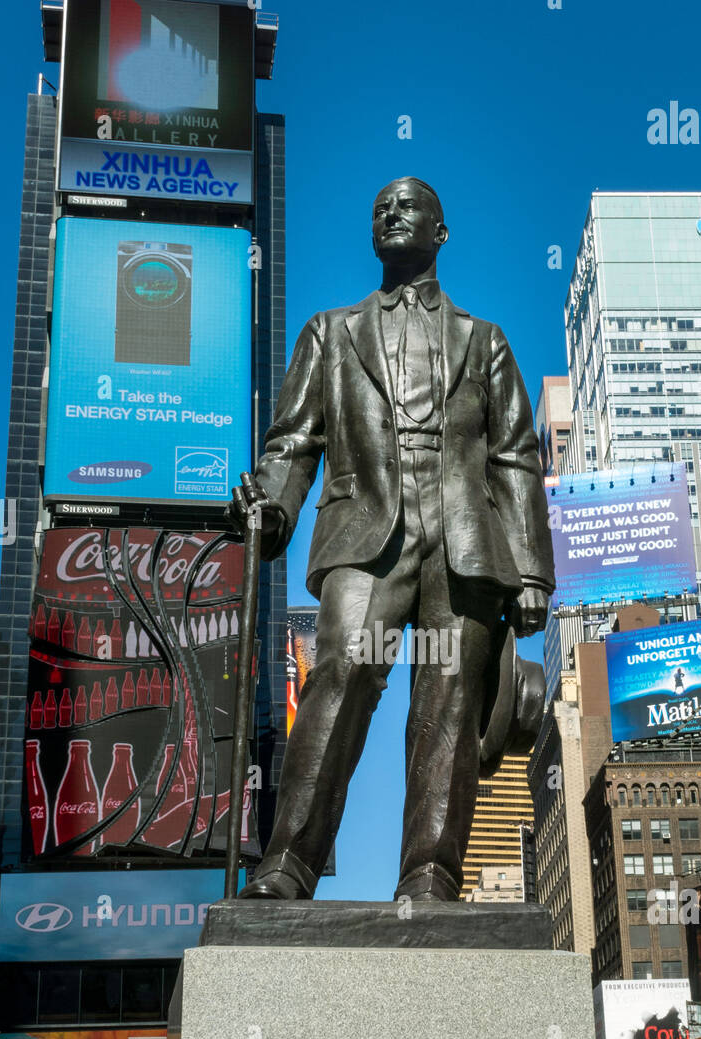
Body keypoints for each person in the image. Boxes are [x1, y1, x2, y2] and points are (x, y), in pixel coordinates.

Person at [238, 177, 554, 904]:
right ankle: (288, 863)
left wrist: (531, 572)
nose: (389, 212)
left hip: (463, 543)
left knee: (447, 702)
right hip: (365, 530)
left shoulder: (484, 340)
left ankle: (430, 874)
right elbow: (292, 442)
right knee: (341, 674)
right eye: (380, 205)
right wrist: (276, 510)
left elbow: (514, 455)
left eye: (407, 205)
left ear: (440, 232)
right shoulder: (331, 331)